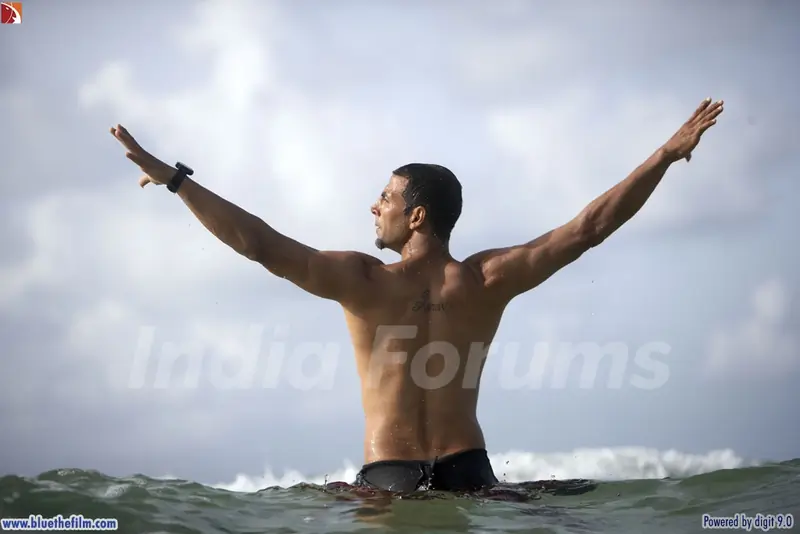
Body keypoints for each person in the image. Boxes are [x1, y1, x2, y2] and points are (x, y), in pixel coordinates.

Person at [111, 97, 724, 493]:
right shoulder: (488, 279)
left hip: (390, 480)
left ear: (417, 216)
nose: (374, 206)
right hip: (470, 471)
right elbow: (588, 229)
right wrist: (665, 156)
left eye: (386, 197)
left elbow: (259, 244)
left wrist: (176, 181)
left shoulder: (364, 281)